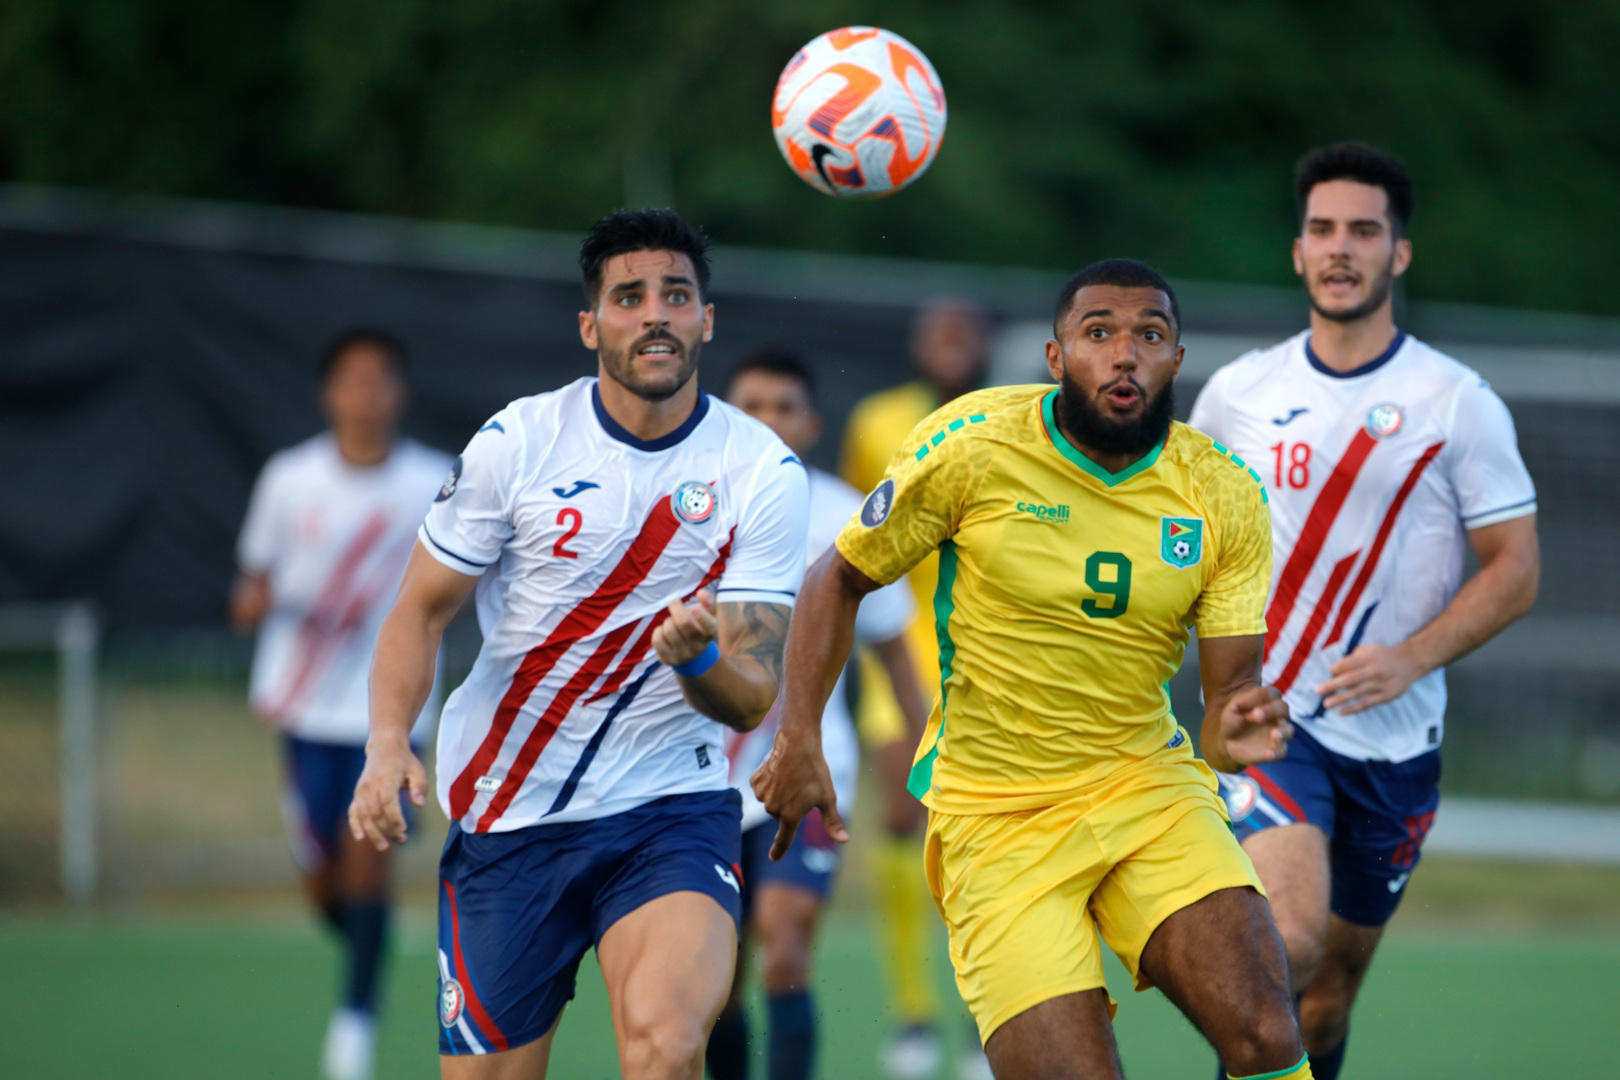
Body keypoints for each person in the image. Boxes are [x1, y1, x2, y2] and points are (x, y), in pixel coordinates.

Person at [755, 258, 1318, 1080]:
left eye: (1148, 336)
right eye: (1099, 335)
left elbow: (1229, 703)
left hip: (1148, 792)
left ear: (1176, 361)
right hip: (996, 819)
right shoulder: (972, 444)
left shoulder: (1222, 491)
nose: (1124, 355)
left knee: (1267, 1032)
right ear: (1056, 359)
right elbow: (838, 577)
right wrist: (799, 733)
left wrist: (1235, 724)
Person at [347, 208, 809, 1080]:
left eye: (677, 295)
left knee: (668, 1045)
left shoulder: (761, 470)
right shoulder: (516, 445)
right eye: (629, 297)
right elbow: (418, 613)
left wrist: (699, 659)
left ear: (707, 320)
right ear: (592, 325)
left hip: (670, 811)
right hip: (509, 815)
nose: (656, 315)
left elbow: (751, 690)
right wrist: (384, 744)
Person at [1188, 142, 1540, 1080]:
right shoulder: (1239, 394)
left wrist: (1412, 658)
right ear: (1297, 251)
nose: (1341, 248)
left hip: (1396, 744)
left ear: (1400, 254)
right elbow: (1176, 540)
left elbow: (1516, 570)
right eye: (1322, 230)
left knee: (1328, 999)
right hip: (1276, 719)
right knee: (1287, 945)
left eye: (1363, 231)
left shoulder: (1457, 403)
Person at [231, 328, 451, 1080]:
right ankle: (369, 940)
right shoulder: (290, 480)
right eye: (351, 381)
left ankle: (353, 1031)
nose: (366, 395)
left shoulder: (431, 480)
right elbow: (251, 585)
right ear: (329, 393)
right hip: (302, 707)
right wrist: (260, 604)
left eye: (380, 379)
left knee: (368, 867)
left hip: (387, 715)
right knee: (325, 885)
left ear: (401, 391)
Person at [709, 346, 930, 1080]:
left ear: (811, 423)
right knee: (716, 982)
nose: (767, 420)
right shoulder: (689, 505)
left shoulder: (845, 517)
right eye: (752, 405)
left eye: (784, 407)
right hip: (699, 780)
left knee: (785, 943)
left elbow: (897, 648)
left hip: (806, 772)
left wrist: (918, 757)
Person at [838, 298, 991, 1079]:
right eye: (938, 332)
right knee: (902, 816)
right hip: (900, 646)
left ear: (987, 343)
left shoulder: (1022, 417)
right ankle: (913, 1013)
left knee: (979, 834)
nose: (951, 345)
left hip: (992, 653)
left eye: (964, 332)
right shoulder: (876, 421)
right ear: (918, 343)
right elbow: (848, 534)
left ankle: (981, 1014)